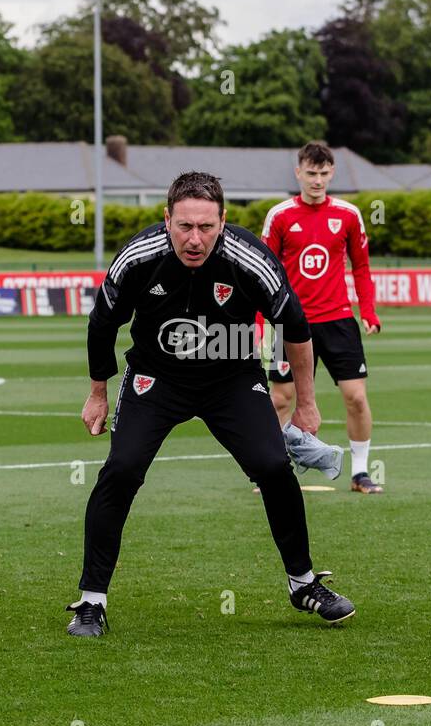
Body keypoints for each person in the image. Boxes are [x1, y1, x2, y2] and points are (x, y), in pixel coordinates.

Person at [68, 171, 357, 637]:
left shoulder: (251, 260)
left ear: (223, 221)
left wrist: (306, 403)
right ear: (167, 219)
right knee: (121, 469)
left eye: (206, 227)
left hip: (232, 376)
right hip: (155, 377)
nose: (195, 239)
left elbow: (296, 330)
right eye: (184, 226)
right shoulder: (139, 257)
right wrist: (98, 392)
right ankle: (91, 601)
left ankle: (303, 584)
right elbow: (102, 324)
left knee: (272, 466)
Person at [261, 141, 384, 493]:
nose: (317, 180)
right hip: (292, 321)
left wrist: (369, 311)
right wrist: (259, 322)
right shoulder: (280, 215)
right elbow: (263, 272)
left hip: (338, 320)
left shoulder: (348, 214)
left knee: (356, 397)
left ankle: (360, 472)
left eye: (324, 173)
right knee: (280, 399)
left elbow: (361, 267)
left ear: (332, 173)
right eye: (311, 173)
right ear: (298, 172)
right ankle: (272, 469)